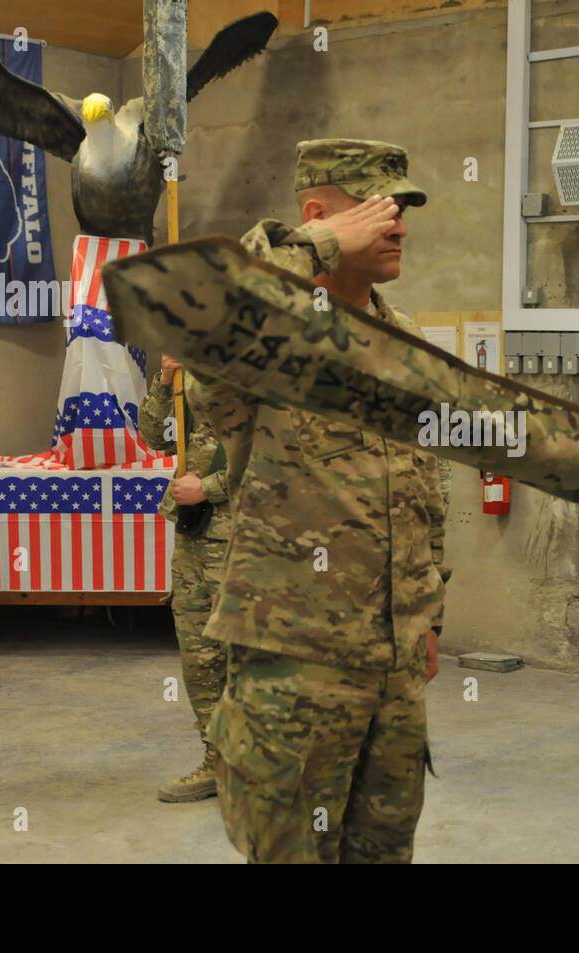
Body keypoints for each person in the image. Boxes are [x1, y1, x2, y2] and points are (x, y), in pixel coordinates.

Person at [187, 138, 450, 863]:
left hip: (392, 660)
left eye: (406, 209)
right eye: (381, 207)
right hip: (295, 659)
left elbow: (425, 489)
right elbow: (208, 308)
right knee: (292, 849)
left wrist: (427, 612)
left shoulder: (406, 341)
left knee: (385, 846)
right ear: (317, 213)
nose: (399, 223)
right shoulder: (269, 337)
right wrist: (316, 248)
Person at [139, 354, 231, 801]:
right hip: (195, 533)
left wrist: (210, 488)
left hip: (249, 537)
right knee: (200, 655)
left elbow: (287, 459)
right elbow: (153, 436)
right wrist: (165, 378)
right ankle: (218, 761)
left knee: (252, 658)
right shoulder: (190, 368)